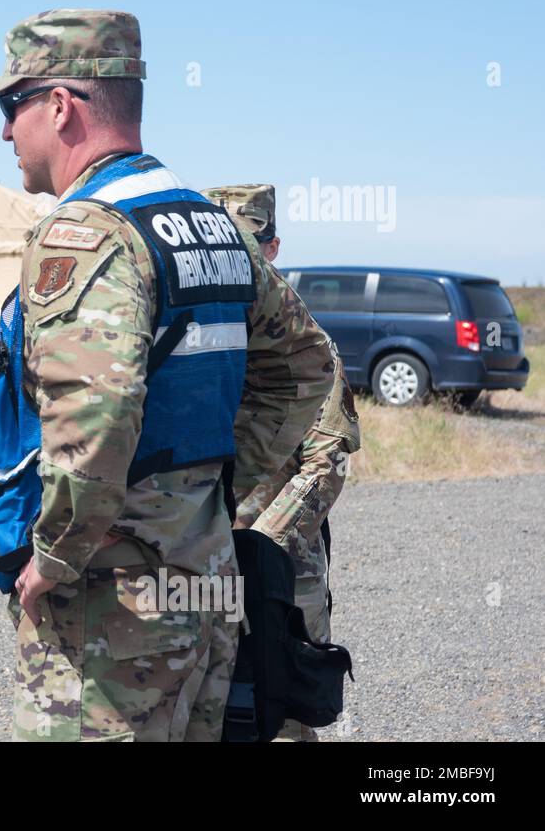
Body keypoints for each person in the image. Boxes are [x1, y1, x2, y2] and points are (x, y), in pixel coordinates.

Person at [0, 9, 336, 741]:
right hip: (204, 578)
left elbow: (98, 412)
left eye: (14, 106)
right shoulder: (211, 222)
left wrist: (55, 553)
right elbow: (306, 366)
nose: (6, 132)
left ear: (61, 106)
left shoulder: (85, 233)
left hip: (115, 604)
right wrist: (209, 482)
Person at [203, 184, 362, 742]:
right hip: (200, 564)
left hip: (281, 570)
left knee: (284, 712)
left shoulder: (303, 344)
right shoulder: (194, 339)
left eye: (249, 249)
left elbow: (326, 464)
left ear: (271, 251)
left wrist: (259, 548)